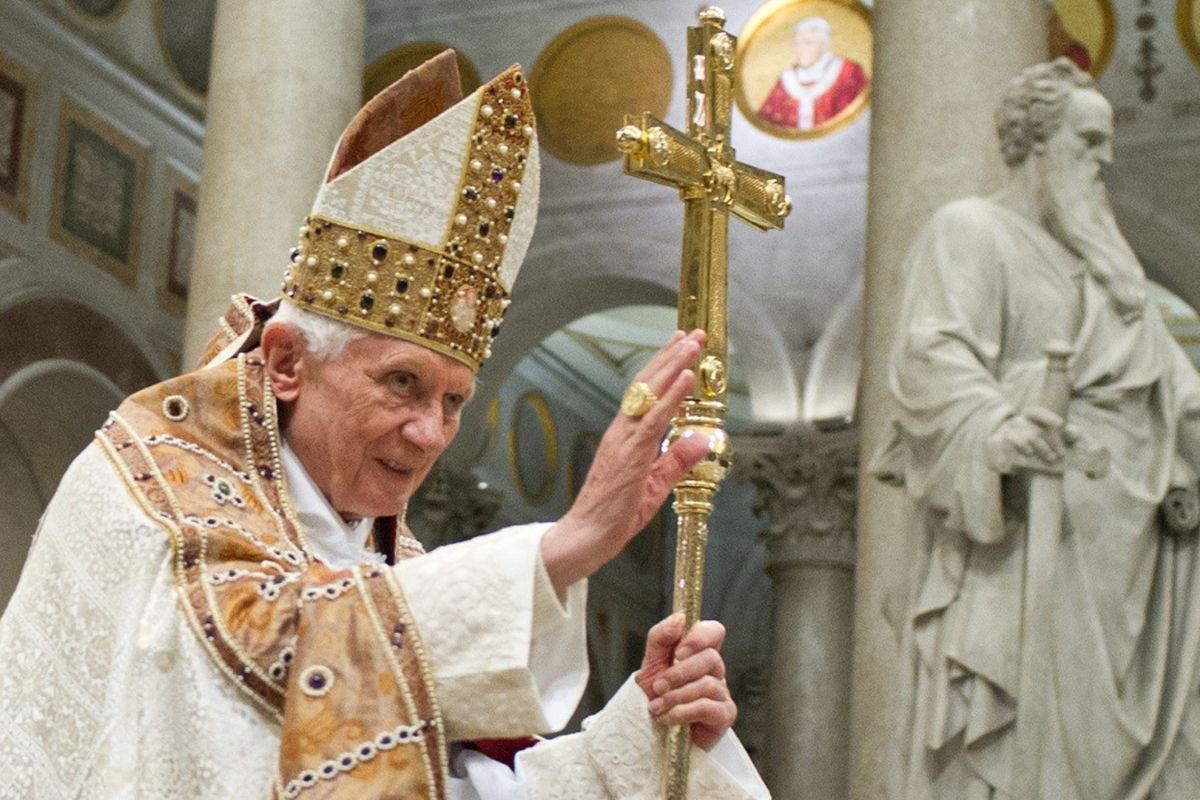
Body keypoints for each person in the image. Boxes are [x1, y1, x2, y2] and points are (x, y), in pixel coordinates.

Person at [0, 52, 769, 799]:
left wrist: (636, 746)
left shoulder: (386, 568)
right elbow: (248, 690)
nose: (430, 434)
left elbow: (450, 784)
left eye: (454, 401)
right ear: (287, 361)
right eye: (402, 384)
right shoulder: (155, 493)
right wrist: (566, 547)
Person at [874, 57, 1200, 800]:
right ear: (1036, 143)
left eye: (1107, 143)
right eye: (1089, 141)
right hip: (1026, 534)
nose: (1104, 161)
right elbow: (933, 355)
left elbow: (1180, 397)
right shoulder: (971, 230)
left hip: (1123, 552)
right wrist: (994, 428)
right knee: (1027, 743)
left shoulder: (1108, 273)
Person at [756, 16, 868, 131]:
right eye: (797, 43)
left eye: (808, 43)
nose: (801, 50)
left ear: (824, 45)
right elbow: (765, 122)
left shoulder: (848, 72)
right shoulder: (787, 79)